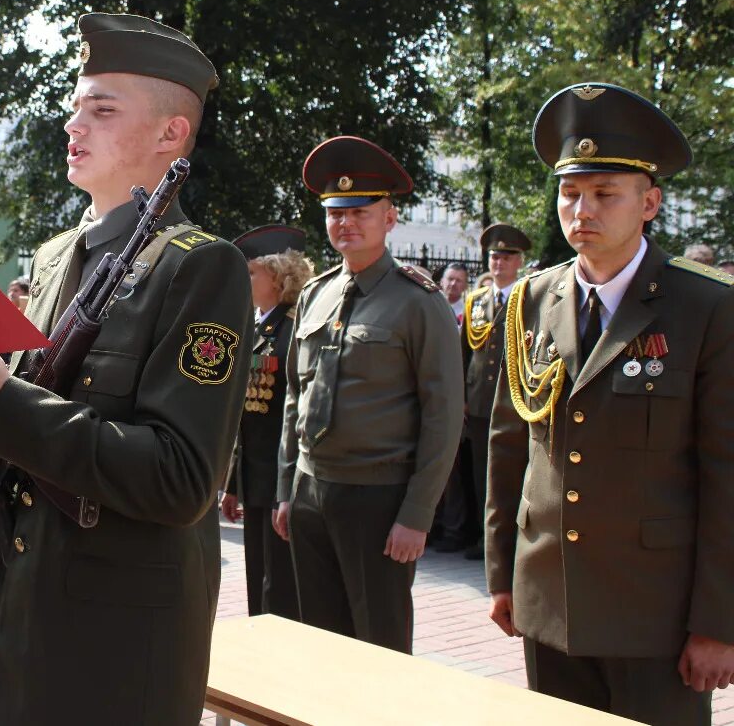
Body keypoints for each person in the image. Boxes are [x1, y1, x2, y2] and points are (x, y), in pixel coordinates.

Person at [0, 13, 252, 724]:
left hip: (117, 654)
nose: (75, 125)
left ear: (170, 135)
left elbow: (179, 476)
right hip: (21, 623)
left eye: (102, 109)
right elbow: (41, 422)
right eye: (74, 108)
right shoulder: (52, 258)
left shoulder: (199, 267)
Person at [486, 83, 734, 723]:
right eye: (570, 193)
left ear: (649, 203)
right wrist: (500, 572)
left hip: (655, 616)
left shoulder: (706, 309)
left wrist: (718, 622)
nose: (582, 210)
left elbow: (725, 475)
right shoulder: (531, 302)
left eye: (604, 194)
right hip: (550, 599)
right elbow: (510, 444)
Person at [272, 136, 462, 654]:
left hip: (379, 498)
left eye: (360, 211)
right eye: (336, 212)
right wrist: (287, 490)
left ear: (390, 218)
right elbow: (294, 399)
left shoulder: (418, 302)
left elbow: (443, 417)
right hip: (313, 491)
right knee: (322, 641)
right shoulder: (315, 294)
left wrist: (417, 515)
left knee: (379, 645)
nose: (345, 223)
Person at [222, 225, 313, 620]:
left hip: (280, 481)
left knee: (278, 590)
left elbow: (293, 419)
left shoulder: (291, 331)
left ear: (278, 277)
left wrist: (286, 491)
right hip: (254, 479)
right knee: (257, 581)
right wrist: (231, 485)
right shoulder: (257, 327)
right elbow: (244, 418)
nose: (246, 282)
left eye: (252, 273)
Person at [444, 224, 530, 560]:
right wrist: (463, 394)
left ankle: (510, 542)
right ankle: (484, 540)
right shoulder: (476, 301)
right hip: (479, 403)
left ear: (518, 262)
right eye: (495, 256)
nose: (499, 263)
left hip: (513, 402)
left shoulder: (529, 295)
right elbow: (464, 351)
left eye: (507, 257)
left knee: (511, 473)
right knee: (480, 475)